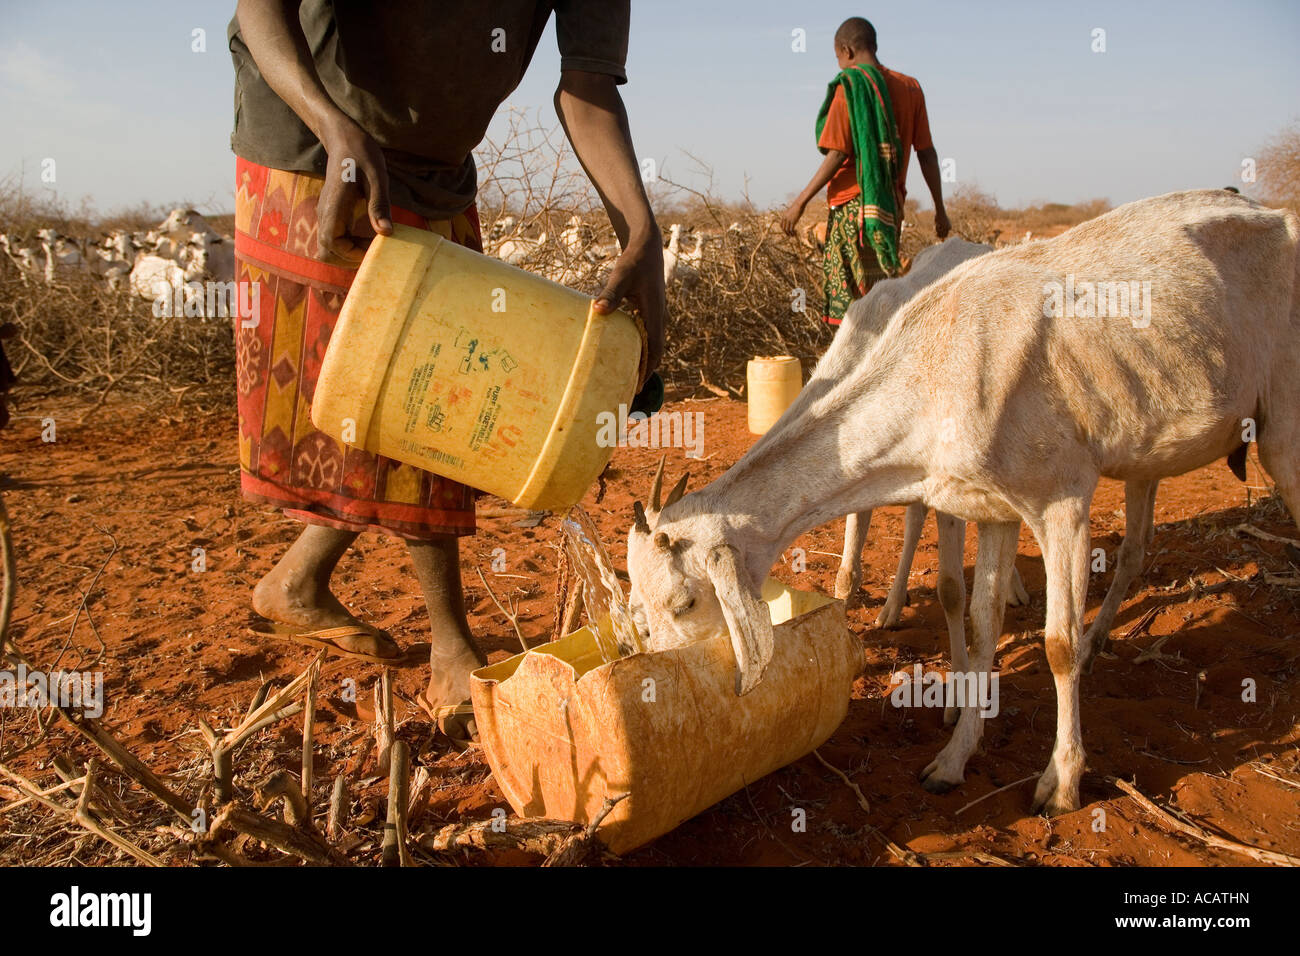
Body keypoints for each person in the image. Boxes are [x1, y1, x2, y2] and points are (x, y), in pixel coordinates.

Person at [228, 0, 665, 741]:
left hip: (437, 171)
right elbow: (259, 7)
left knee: (435, 380)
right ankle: (451, 645)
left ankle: (296, 581)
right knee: (412, 383)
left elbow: (588, 87)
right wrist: (331, 124)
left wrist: (640, 226)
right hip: (310, 141)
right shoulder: (316, 125)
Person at [781, 16, 950, 325]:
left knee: (850, 314)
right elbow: (926, 153)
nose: (840, 66)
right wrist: (940, 208)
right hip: (888, 210)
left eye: (837, 58)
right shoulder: (911, 88)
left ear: (846, 50)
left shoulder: (851, 87)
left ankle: (854, 370)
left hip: (852, 209)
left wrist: (799, 203)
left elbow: (837, 153)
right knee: (881, 297)